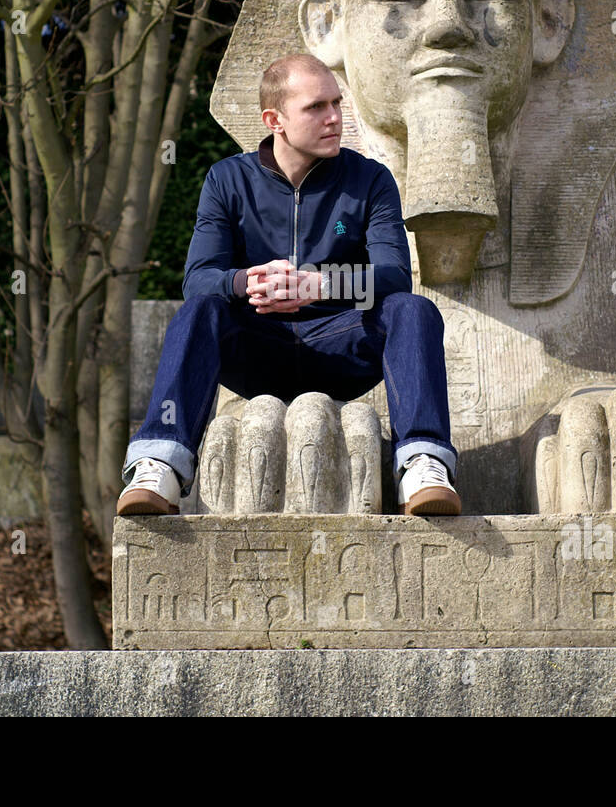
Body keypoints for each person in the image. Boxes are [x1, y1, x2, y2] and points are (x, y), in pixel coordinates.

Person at [119, 53, 460, 516]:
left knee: (412, 309)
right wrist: (245, 281)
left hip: (343, 345)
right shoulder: (226, 179)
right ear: (274, 120)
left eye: (337, 103)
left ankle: (422, 462)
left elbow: (393, 275)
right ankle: (158, 464)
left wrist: (317, 285)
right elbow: (198, 281)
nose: (335, 118)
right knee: (201, 311)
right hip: (258, 347)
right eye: (316, 107)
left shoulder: (370, 179)